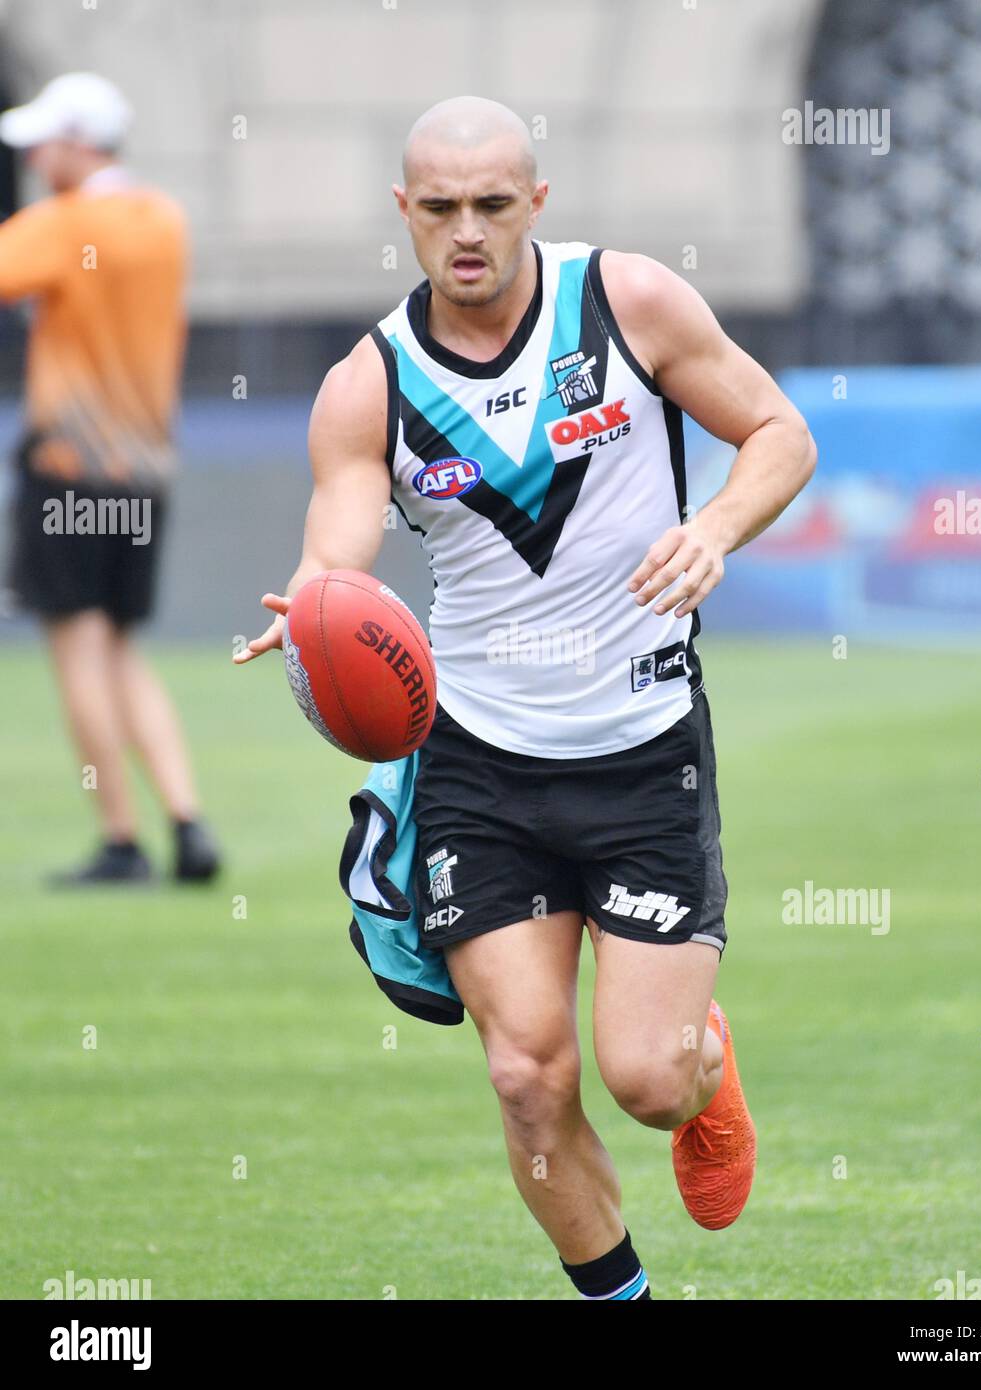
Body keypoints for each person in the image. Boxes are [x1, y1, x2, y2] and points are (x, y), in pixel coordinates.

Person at [235, 95, 816, 1299]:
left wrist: (712, 528)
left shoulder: (626, 302)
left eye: (492, 204)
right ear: (403, 211)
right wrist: (311, 605)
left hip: (642, 744)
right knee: (524, 1075)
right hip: (478, 763)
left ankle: (705, 1059)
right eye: (438, 207)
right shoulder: (370, 382)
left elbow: (776, 432)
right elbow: (336, 551)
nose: (466, 231)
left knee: (646, 1080)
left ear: (534, 203)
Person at [0, 73, 220, 885]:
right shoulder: (163, 220)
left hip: (67, 471)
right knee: (123, 650)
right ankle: (188, 821)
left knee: (78, 651)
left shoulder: (63, 224)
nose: (32, 158)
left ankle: (121, 839)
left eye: (43, 143)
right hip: (145, 473)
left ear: (76, 143)